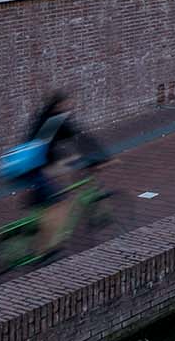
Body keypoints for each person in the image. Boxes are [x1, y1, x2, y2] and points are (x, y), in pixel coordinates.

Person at [20, 92, 107, 258]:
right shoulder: (56, 121)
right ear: (58, 106)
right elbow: (82, 138)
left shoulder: (45, 118)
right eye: (67, 104)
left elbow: (68, 141)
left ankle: (41, 209)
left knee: (66, 173)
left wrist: (73, 160)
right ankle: (43, 251)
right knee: (59, 205)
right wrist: (102, 159)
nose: (70, 108)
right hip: (36, 168)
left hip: (36, 164)